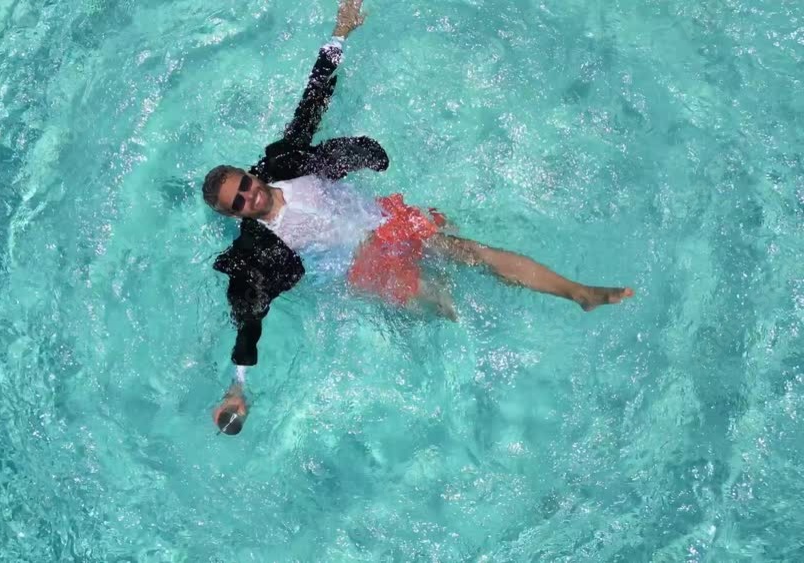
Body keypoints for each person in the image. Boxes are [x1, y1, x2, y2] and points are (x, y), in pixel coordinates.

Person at [206, 0, 634, 435]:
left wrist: (339, 34)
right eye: (238, 202)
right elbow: (248, 315)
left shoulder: (282, 163)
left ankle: (577, 292)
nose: (249, 196)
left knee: (473, 253)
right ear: (231, 214)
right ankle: (502, 369)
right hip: (361, 267)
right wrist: (237, 386)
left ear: (248, 172)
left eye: (244, 184)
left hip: (384, 220)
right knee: (441, 301)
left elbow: (312, 100)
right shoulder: (257, 249)